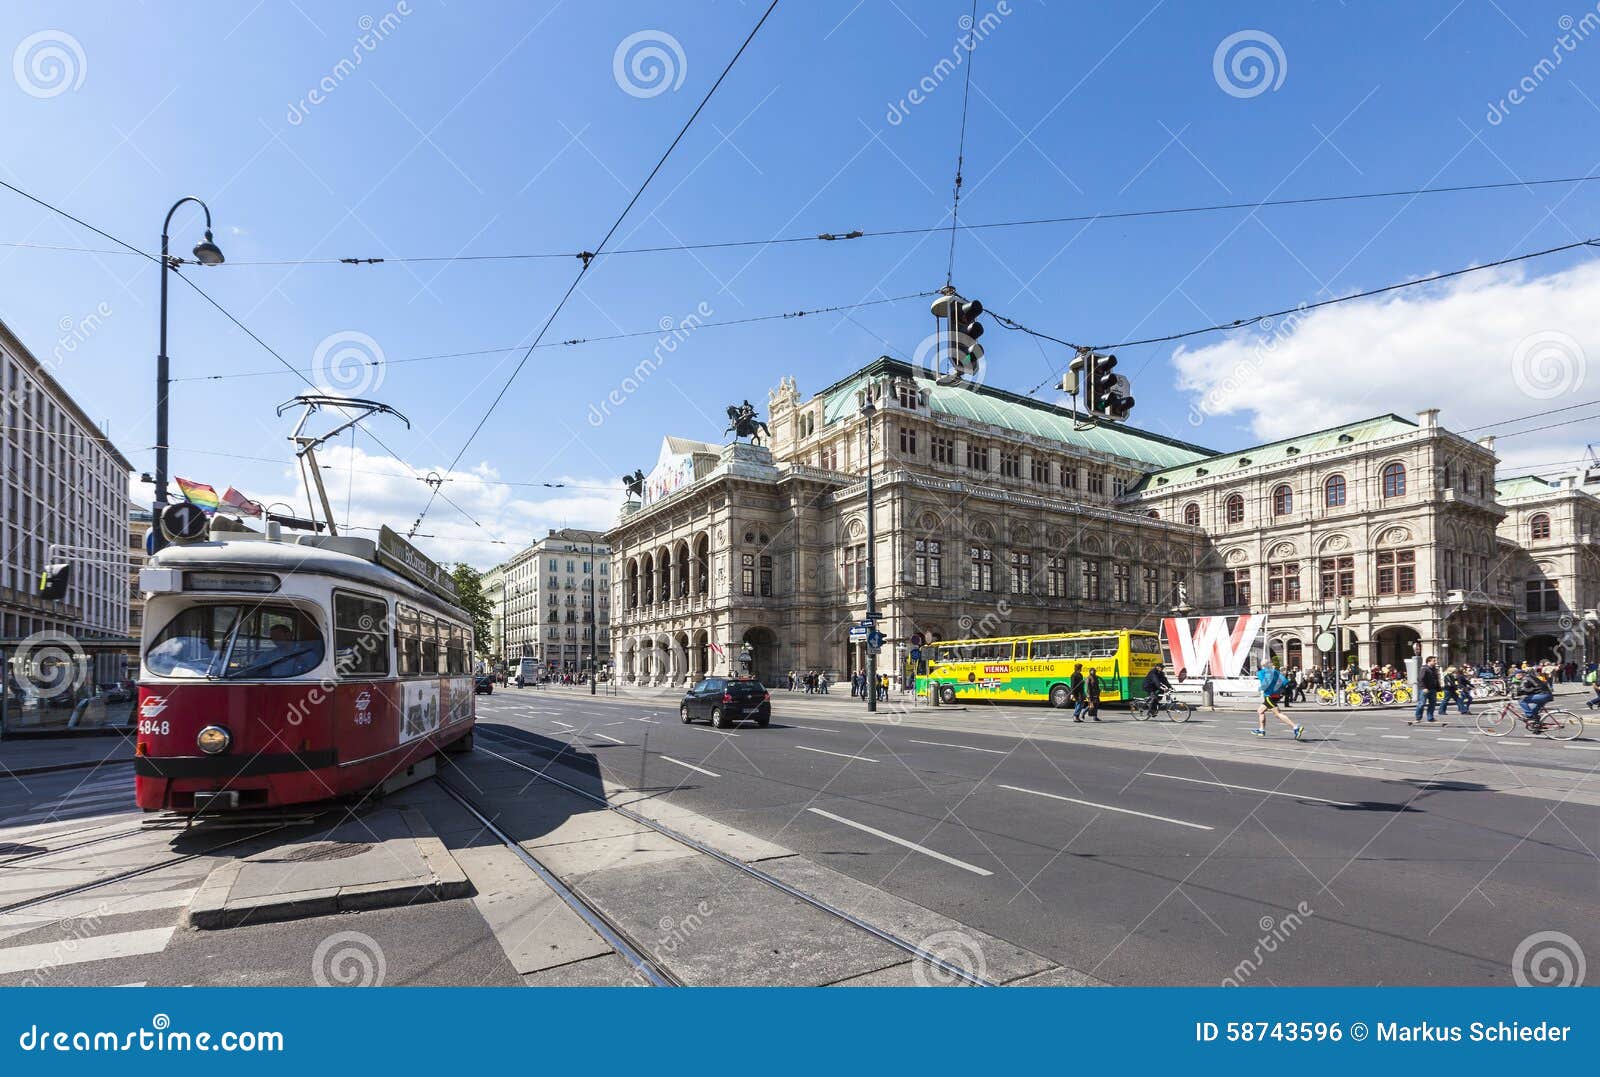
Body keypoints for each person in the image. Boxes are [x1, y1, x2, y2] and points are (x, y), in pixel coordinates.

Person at [1252, 658, 1303, 739]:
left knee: (1277, 714)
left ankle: (1296, 727)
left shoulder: (1261, 673)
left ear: (1262, 665)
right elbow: (1285, 682)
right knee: (1260, 711)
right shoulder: (1275, 672)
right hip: (1277, 695)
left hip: (1269, 696)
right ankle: (1261, 730)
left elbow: (1265, 683)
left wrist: (1261, 688)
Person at [1414, 656, 1441, 723]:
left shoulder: (1434, 669)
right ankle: (1418, 717)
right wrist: (1423, 687)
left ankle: (1430, 718)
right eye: (1434, 661)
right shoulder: (1424, 669)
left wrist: (1438, 688)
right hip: (1424, 689)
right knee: (1422, 704)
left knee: (1432, 704)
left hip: (1432, 689)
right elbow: (1420, 679)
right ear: (1429, 661)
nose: (1435, 662)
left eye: (1435, 661)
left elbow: (1436, 679)